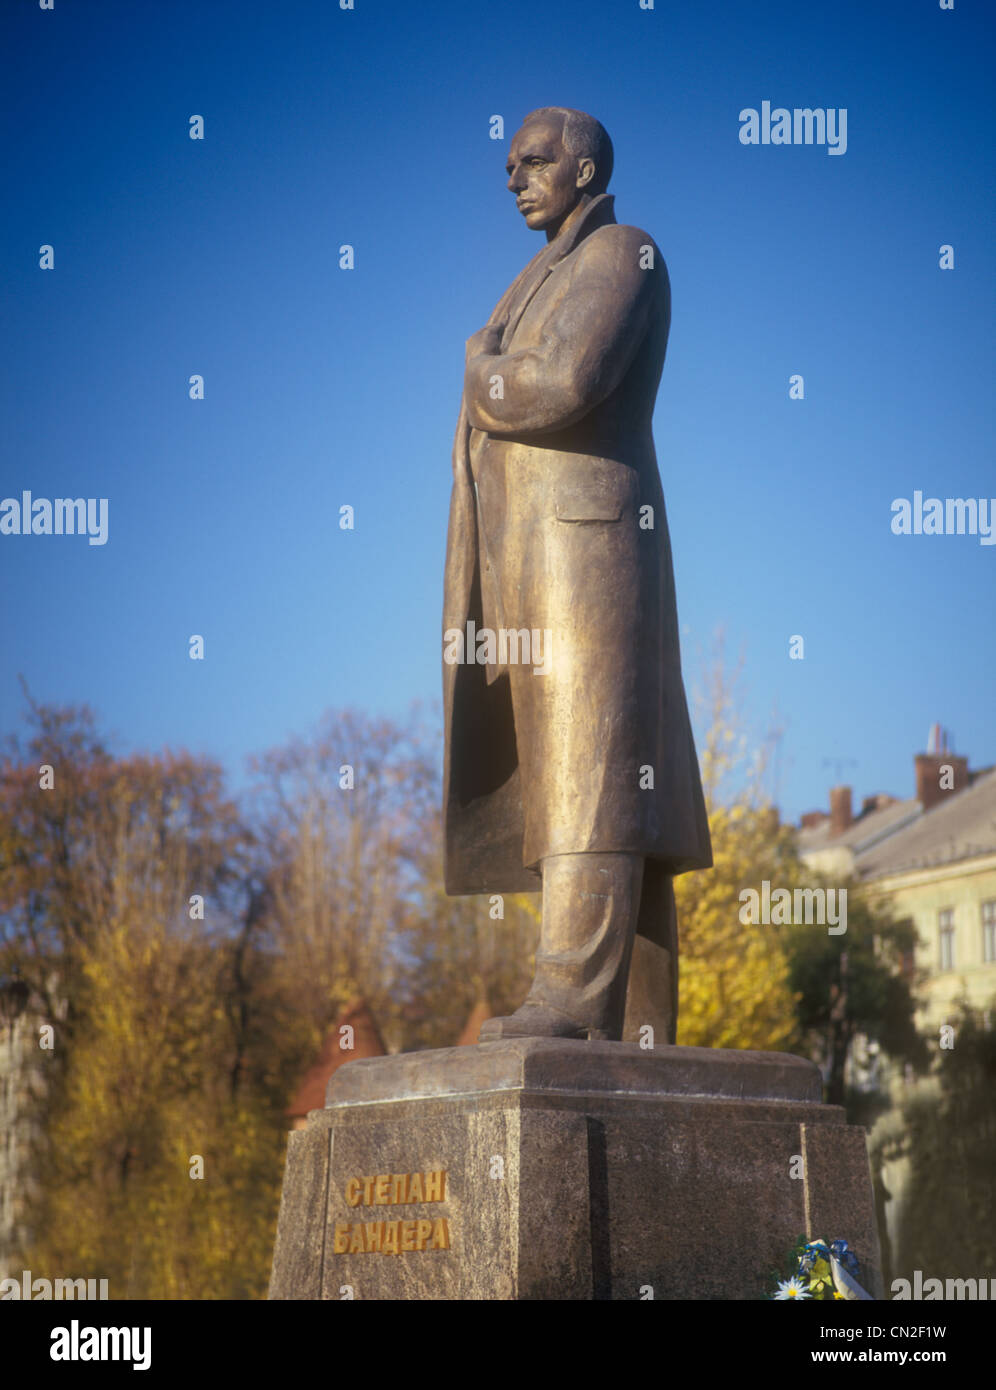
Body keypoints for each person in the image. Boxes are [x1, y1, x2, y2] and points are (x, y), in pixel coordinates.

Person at [442, 107, 711, 1043]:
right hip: (537, 557)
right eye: (509, 166)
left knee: (592, 770)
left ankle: (571, 989)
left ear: (586, 165)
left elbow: (562, 381)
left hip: (592, 545)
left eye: (535, 161)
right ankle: (635, 1028)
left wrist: (479, 371)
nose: (515, 177)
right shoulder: (537, 273)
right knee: (597, 775)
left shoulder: (622, 253)